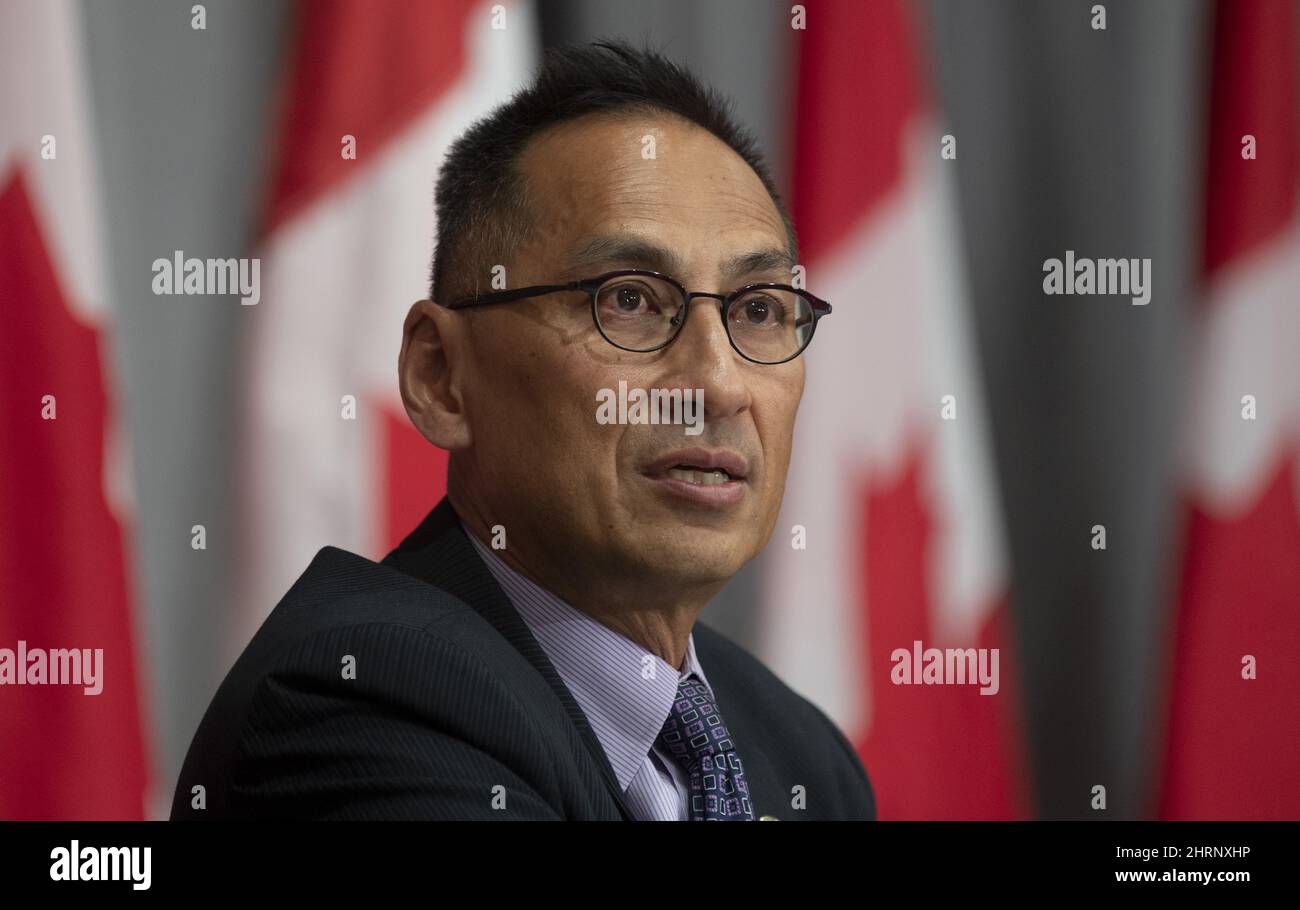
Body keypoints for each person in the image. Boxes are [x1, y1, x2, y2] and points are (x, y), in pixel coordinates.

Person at [172, 39, 875, 821]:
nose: (716, 382)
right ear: (441, 377)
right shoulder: (359, 699)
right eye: (630, 300)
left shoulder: (798, 752)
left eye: (757, 310)